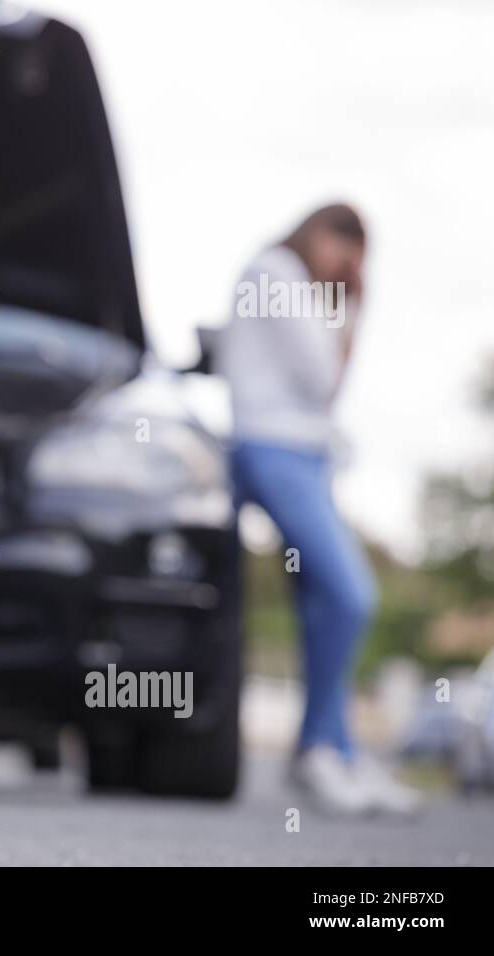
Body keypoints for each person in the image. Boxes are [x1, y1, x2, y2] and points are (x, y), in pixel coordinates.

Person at [218, 203, 419, 815]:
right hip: (274, 449)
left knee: (318, 606)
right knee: (349, 594)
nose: (347, 270)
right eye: (346, 255)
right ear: (320, 233)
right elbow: (321, 378)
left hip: (306, 454)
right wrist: (353, 306)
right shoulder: (274, 273)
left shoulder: (290, 282)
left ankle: (337, 747)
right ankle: (318, 752)